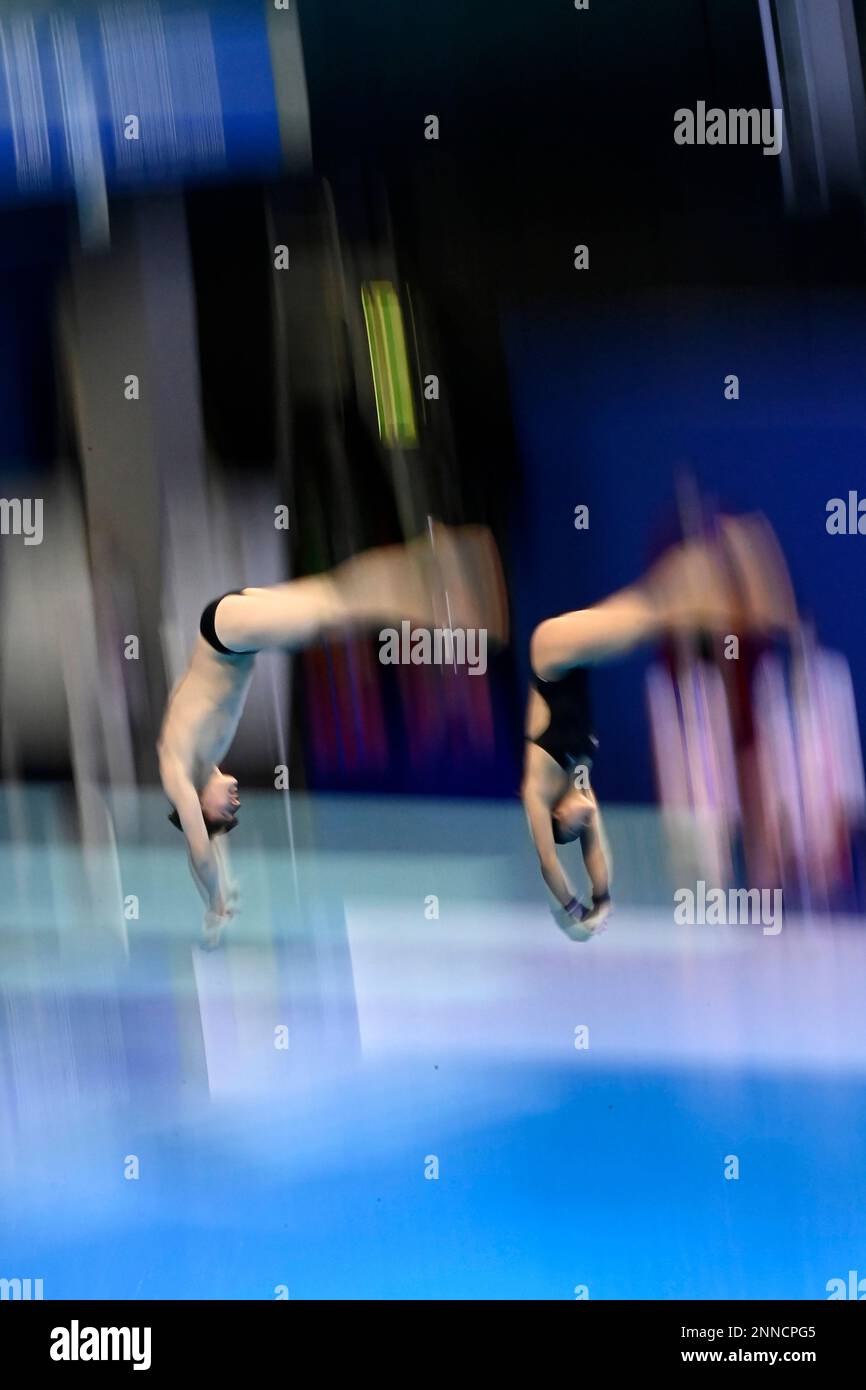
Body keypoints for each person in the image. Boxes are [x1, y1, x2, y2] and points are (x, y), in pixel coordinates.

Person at [158, 523, 507, 943]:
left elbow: (200, 849)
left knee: (333, 606)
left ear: (197, 806)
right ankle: (427, 564)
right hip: (231, 629)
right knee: (331, 602)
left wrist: (213, 907)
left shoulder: (177, 766)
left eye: (225, 814)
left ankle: (439, 592)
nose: (235, 804)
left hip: (227, 634)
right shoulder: (203, 762)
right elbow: (213, 846)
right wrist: (227, 887)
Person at [521, 513, 799, 941]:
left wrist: (573, 909)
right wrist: (603, 898)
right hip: (574, 663)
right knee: (646, 617)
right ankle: (721, 577)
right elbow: (599, 856)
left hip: (550, 656)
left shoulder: (538, 791)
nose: (587, 817)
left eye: (575, 822)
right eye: (586, 821)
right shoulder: (581, 788)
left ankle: (707, 576)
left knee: (647, 613)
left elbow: (548, 863)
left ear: (559, 816)